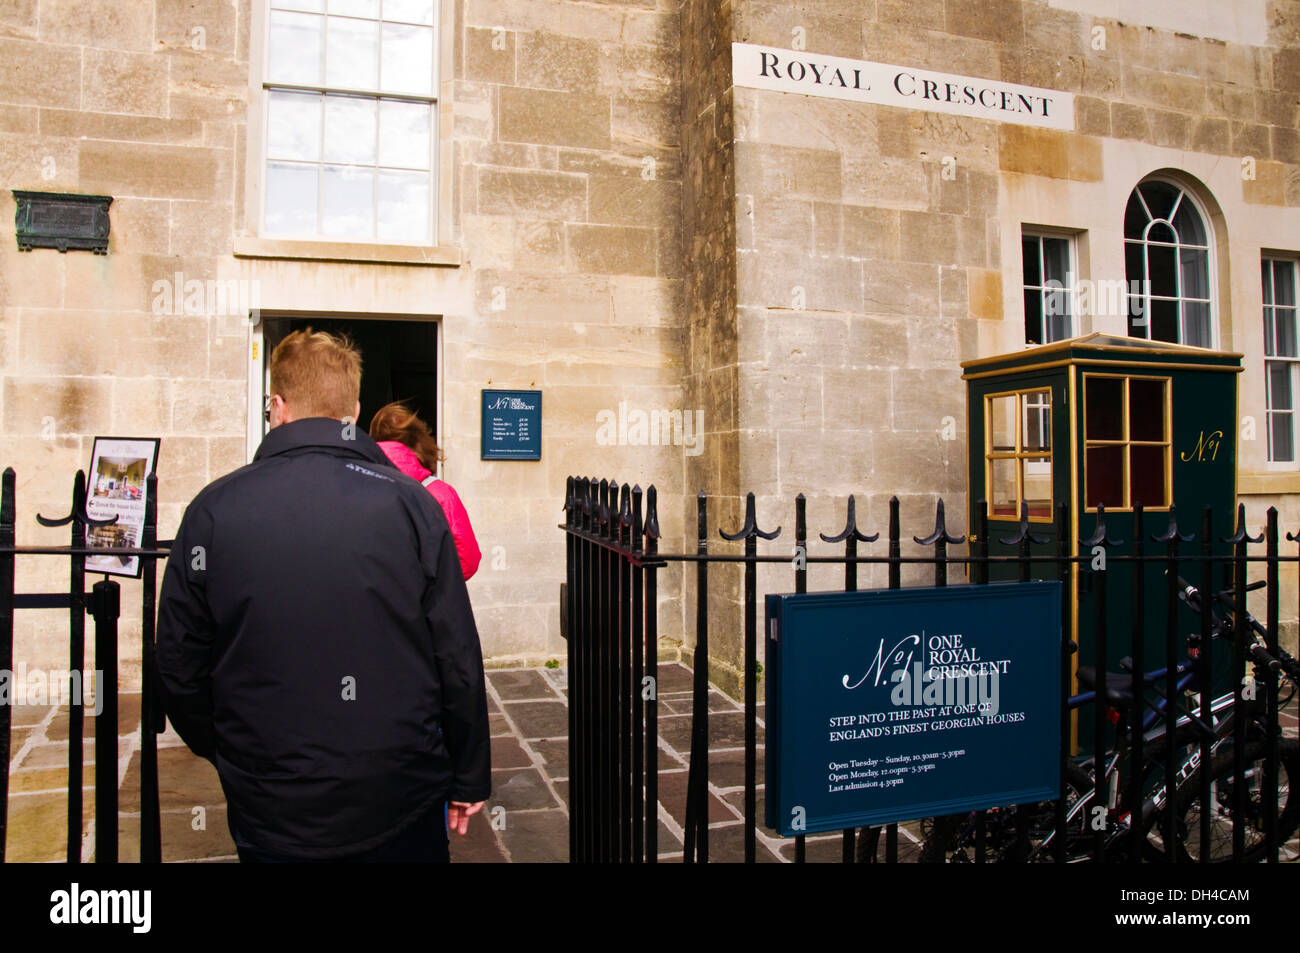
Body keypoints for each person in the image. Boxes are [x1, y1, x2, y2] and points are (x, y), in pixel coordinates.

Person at [155, 328, 490, 862]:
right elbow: (456, 654)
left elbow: (178, 665)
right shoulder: (412, 505)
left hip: (272, 795)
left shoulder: (213, 509)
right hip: (398, 786)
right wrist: (468, 774)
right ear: (353, 410)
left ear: (278, 407)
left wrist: (231, 753)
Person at [369, 401, 482, 581]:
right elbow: (468, 561)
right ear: (418, 439)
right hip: (423, 603)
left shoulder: (357, 484)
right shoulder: (441, 493)